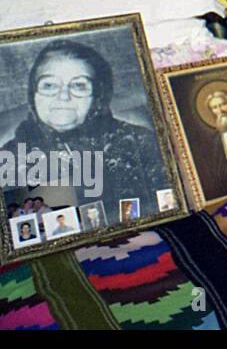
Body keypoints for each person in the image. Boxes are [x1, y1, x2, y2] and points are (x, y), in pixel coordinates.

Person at [0, 41, 163, 217]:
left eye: (79, 85)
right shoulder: (10, 158)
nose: (63, 96)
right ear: (33, 93)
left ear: (98, 95)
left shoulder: (142, 143)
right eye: (49, 85)